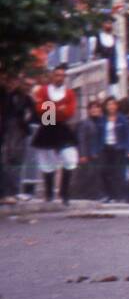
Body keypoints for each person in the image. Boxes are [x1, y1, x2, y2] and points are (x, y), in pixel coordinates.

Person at [31, 64, 79, 205]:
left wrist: (51, 107)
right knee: (47, 161)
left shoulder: (69, 93)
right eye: (57, 75)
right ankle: (49, 194)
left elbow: (69, 112)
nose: (59, 78)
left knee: (69, 158)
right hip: (47, 127)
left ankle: (65, 194)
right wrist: (58, 109)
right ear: (52, 76)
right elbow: (41, 110)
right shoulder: (43, 90)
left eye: (62, 75)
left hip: (62, 128)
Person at [1, 75, 38, 203]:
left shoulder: (27, 98)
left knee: (17, 162)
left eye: (30, 85)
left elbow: (40, 116)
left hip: (20, 132)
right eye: (26, 84)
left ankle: (14, 192)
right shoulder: (7, 96)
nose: (28, 87)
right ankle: (6, 193)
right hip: (8, 131)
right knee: (8, 161)